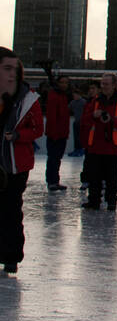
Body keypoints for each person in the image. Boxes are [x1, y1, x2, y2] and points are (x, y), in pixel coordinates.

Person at [0, 50, 43, 273]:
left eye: (15, 69)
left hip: (15, 165)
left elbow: (38, 129)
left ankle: (11, 256)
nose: (12, 74)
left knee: (11, 209)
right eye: (7, 68)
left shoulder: (27, 99)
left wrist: (17, 136)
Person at [80, 72, 117, 211]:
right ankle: (94, 200)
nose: (104, 86)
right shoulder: (95, 101)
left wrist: (112, 120)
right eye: (102, 83)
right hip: (95, 145)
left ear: (115, 85)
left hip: (112, 146)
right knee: (93, 176)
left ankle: (111, 201)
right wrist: (94, 115)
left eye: (106, 84)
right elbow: (84, 120)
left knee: (112, 177)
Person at [45, 74, 71, 192]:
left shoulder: (62, 96)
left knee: (56, 158)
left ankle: (54, 181)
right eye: (62, 82)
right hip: (55, 134)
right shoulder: (55, 95)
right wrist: (54, 133)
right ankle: (52, 181)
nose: (64, 85)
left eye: (66, 83)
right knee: (53, 158)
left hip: (61, 133)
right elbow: (52, 116)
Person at [69, 88, 86, 157]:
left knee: (80, 137)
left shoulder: (84, 102)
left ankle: (81, 150)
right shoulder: (73, 102)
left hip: (82, 122)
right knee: (76, 137)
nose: (74, 97)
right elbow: (68, 108)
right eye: (73, 95)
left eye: (75, 95)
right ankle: (76, 149)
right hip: (76, 122)